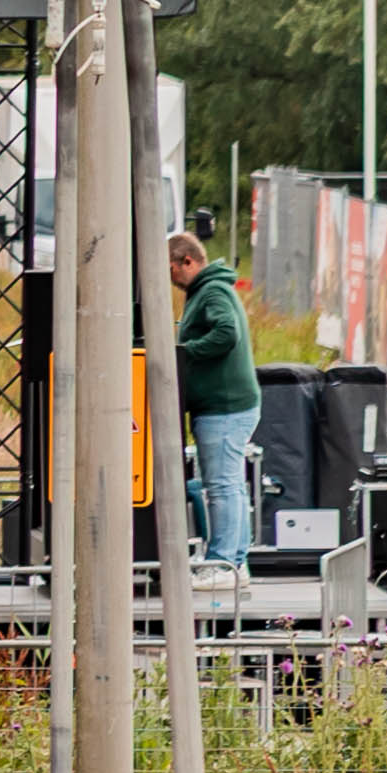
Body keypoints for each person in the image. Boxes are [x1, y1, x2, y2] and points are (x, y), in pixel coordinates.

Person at [173, 226, 259, 573]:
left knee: (222, 487)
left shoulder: (211, 293)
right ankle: (236, 560)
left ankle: (223, 563)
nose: (170, 277)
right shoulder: (209, 290)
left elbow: (226, 333)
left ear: (187, 261)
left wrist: (182, 353)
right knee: (231, 486)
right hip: (229, 406)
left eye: (170, 268)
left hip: (224, 407)